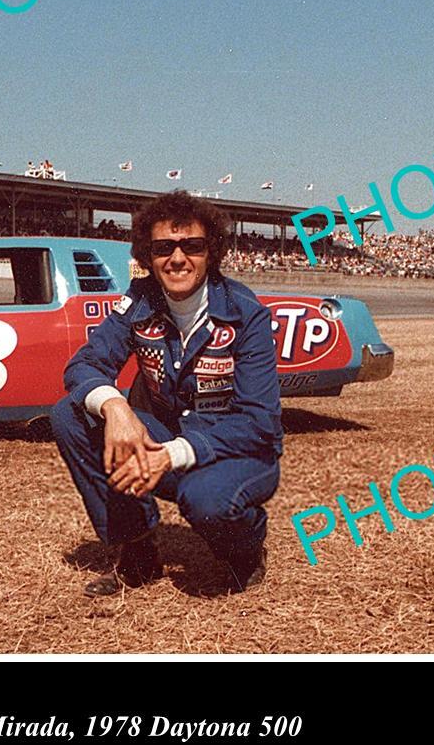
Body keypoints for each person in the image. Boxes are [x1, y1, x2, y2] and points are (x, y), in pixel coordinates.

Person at [51, 190, 282, 596]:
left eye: (192, 245)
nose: (177, 259)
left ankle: (246, 551)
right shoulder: (139, 300)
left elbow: (259, 423)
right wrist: (115, 406)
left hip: (239, 453)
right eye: (163, 248)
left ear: (212, 252)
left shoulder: (247, 314)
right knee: (71, 413)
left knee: (205, 500)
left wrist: (172, 453)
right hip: (168, 441)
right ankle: (139, 552)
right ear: (147, 255)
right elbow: (84, 365)